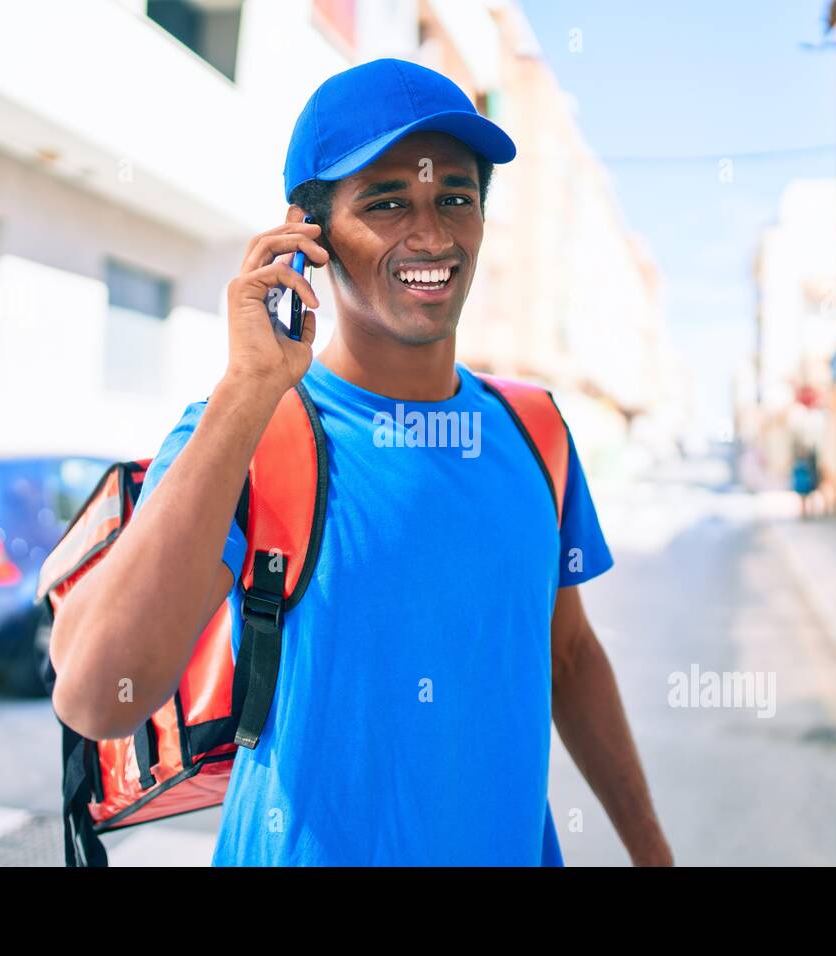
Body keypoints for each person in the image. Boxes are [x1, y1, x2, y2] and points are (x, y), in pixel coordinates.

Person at [48, 58, 672, 867]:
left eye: (455, 196)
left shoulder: (536, 429)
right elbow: (100, 697)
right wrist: (248, 387)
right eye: (386, 202)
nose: (433, 235)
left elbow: (572, 656)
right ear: (307, 234)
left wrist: (652, 852)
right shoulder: (253, 432)